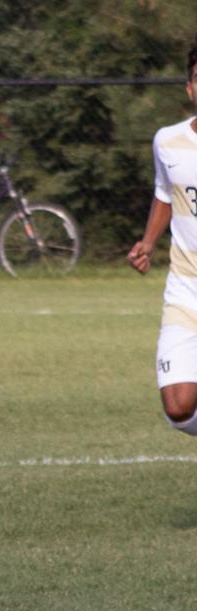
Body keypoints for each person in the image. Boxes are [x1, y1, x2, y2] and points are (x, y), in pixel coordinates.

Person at [125, 36, 197, 435]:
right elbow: (164, 193)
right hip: (185, 289)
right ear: (190, 88)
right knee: (178, 407)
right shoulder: (168, 140)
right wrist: (148, 243)